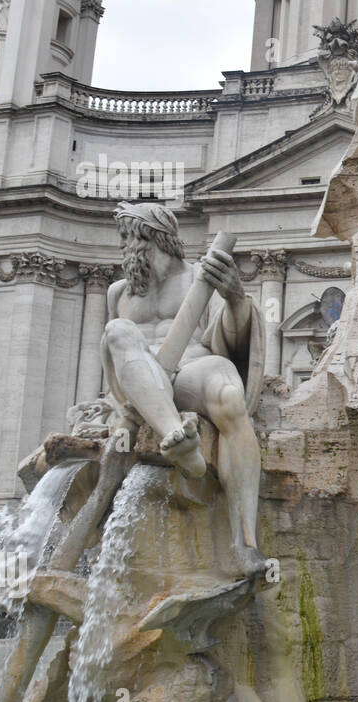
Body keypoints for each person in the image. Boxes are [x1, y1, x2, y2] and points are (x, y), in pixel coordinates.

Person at [101, 202, 268, 576]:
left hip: (192, 369)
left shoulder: (200, 278)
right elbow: (114, 356)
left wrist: (235, 297)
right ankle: (177, 440)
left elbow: (232, 340)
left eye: (130, 238)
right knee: (117, 331)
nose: (125, 248)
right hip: (144, 384)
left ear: (154, 237)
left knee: (229, 394)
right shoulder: (118, 293)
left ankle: (244, 543)